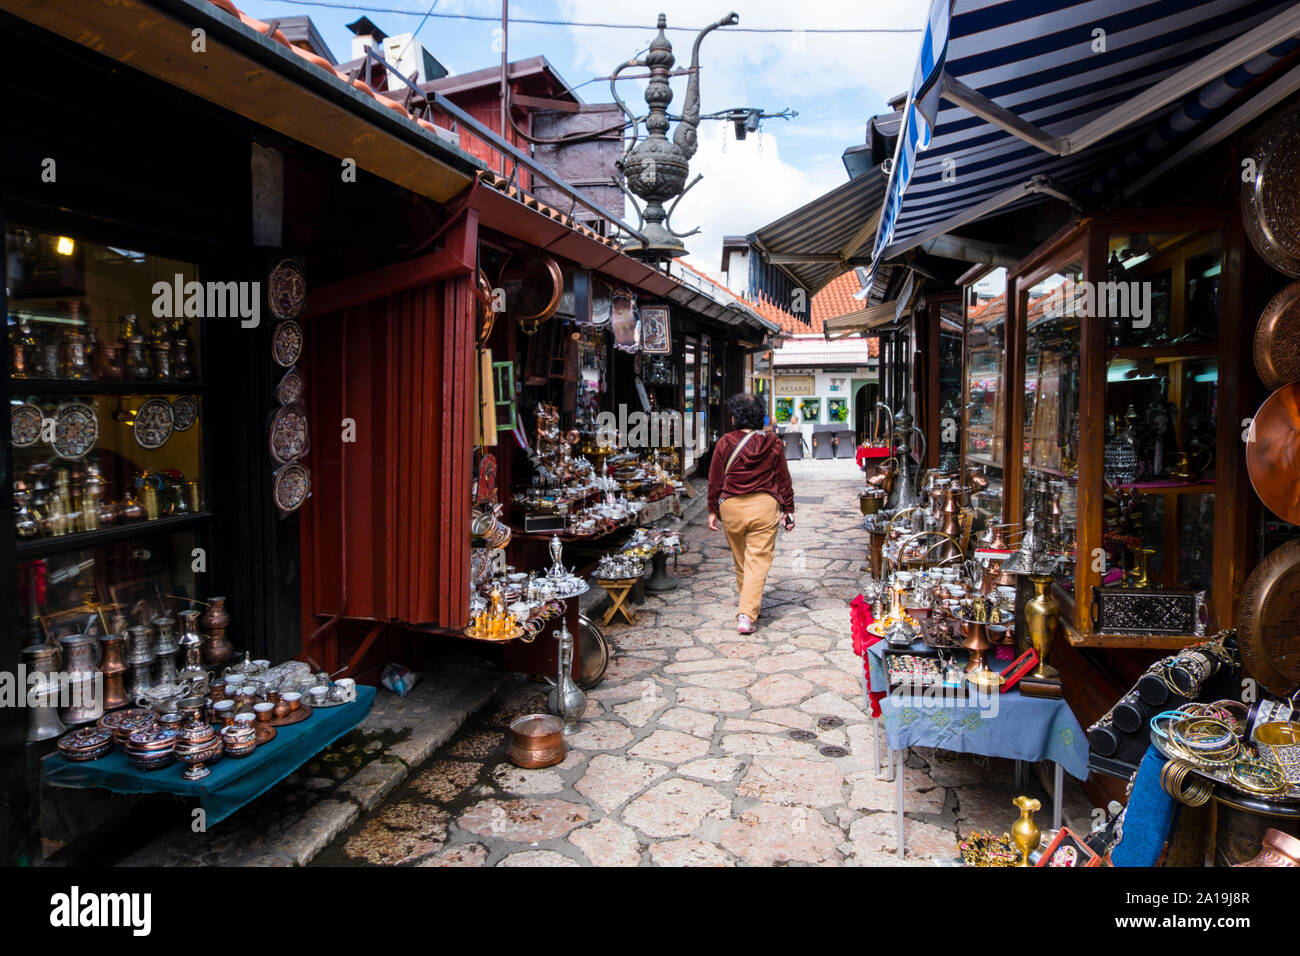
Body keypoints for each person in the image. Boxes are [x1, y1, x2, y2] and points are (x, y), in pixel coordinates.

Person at [707, 393, 795, 634]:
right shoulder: (773, 442)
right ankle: (746, 613)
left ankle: (747, 604)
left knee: (741, 559)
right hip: (764, 507)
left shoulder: (725, 442)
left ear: (735, 417)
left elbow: (715, 480)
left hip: (731, 507)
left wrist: (712, 509)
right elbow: (783, 479)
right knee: (757, 560)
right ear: (759, 417)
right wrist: (789, 508)